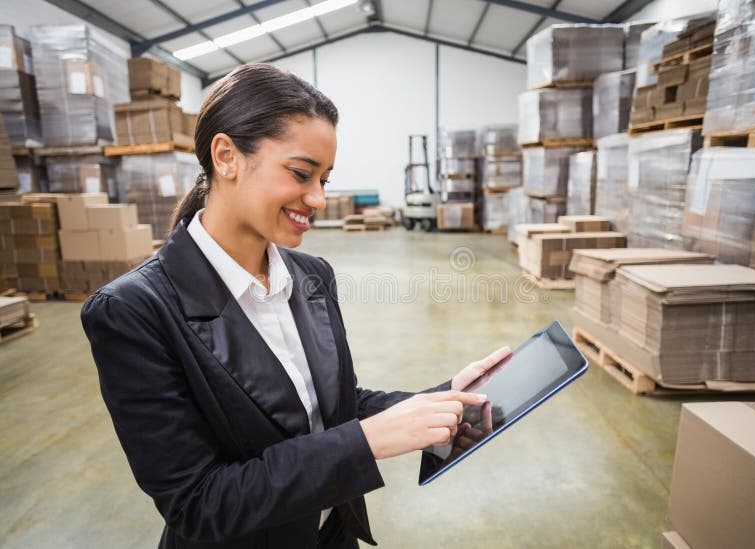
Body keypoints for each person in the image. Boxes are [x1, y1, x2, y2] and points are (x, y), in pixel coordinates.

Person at [81, 63, 510, 548]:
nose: (320, 199)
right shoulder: (133, 312)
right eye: (302, 174)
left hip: (330, 535)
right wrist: (365, 444)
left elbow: (333, 406)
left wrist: (440, 399)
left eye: (325, 178)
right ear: (226, 156)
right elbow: (199, 503)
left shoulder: (311, 276)